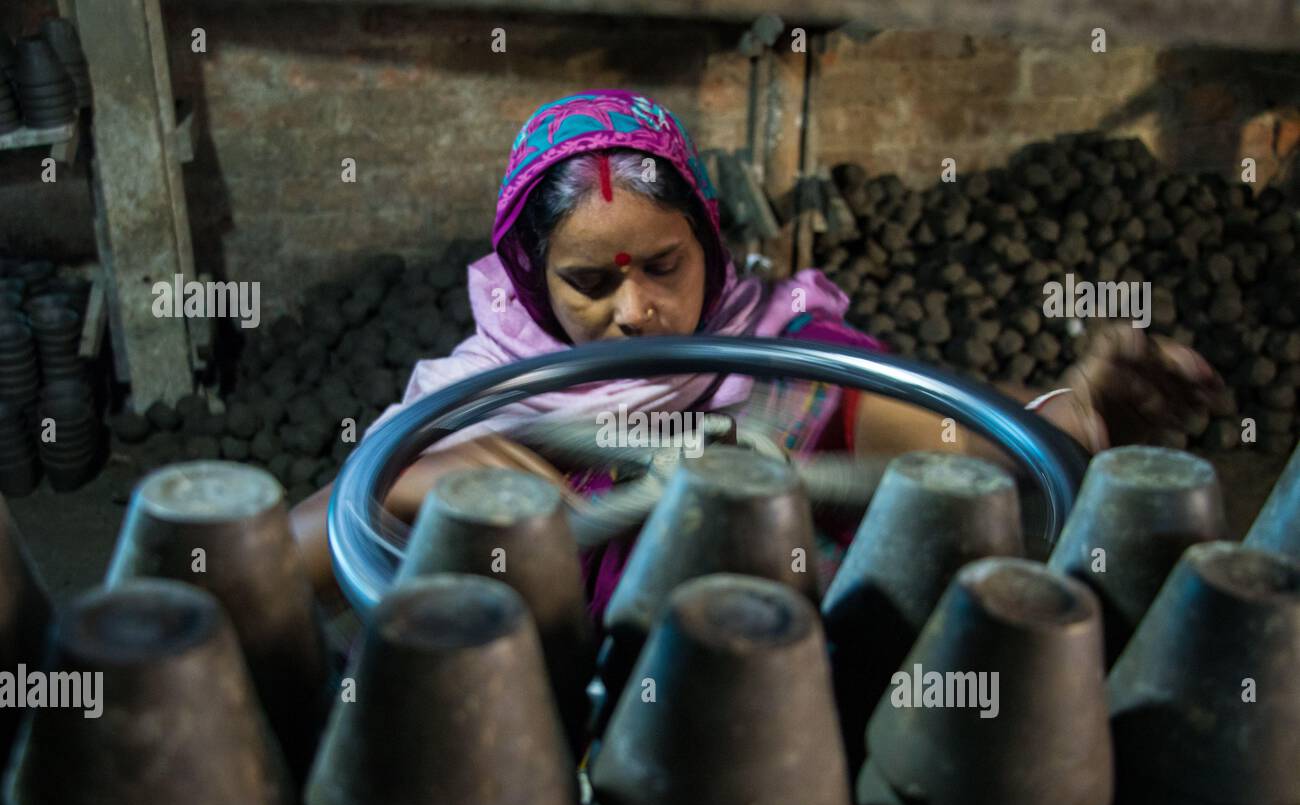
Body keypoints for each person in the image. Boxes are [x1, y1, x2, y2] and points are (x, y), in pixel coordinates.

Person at [290, 88, 1227, 618]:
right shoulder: (472, 403)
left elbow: (954, 437)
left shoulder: (789, 362)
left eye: (664, 264)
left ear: (709, 238)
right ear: (532, 279)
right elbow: (287, 559)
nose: (637, 310)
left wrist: (1079, 412)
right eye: (589, 282)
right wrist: (397, 484)